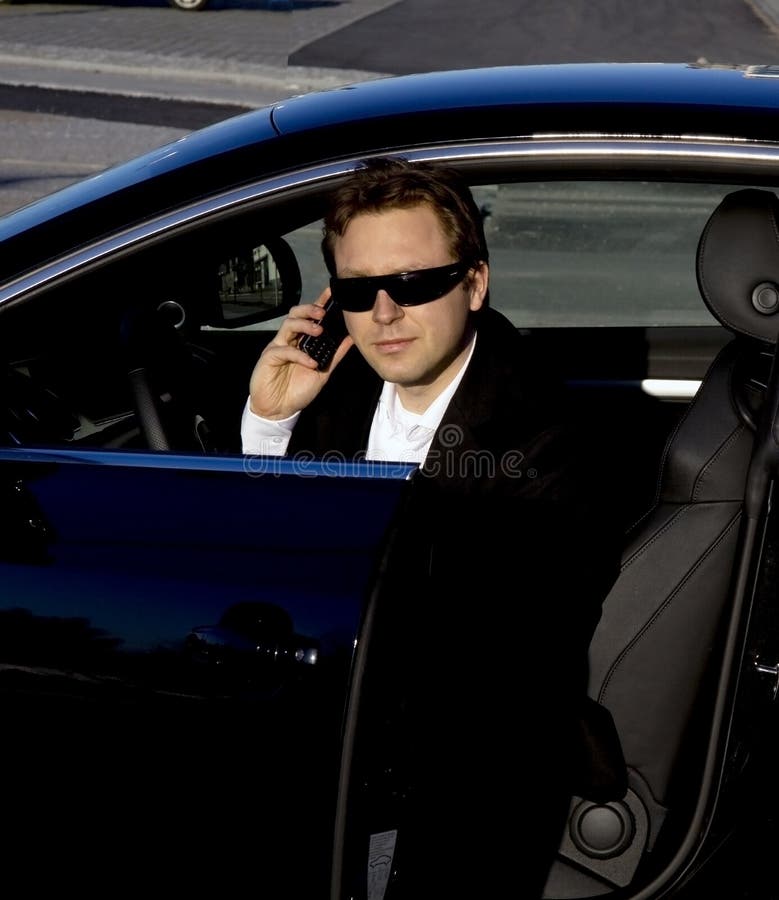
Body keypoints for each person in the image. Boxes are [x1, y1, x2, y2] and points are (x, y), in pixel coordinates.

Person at [241, 157, 623, 899]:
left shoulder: (545, 434)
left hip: (457, 771)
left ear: (474, 283)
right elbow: (279, 559)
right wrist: (270, 423)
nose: (384, 312)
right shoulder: (339, 385)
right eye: (357, 289)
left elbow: (483, 657)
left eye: (415, 283)